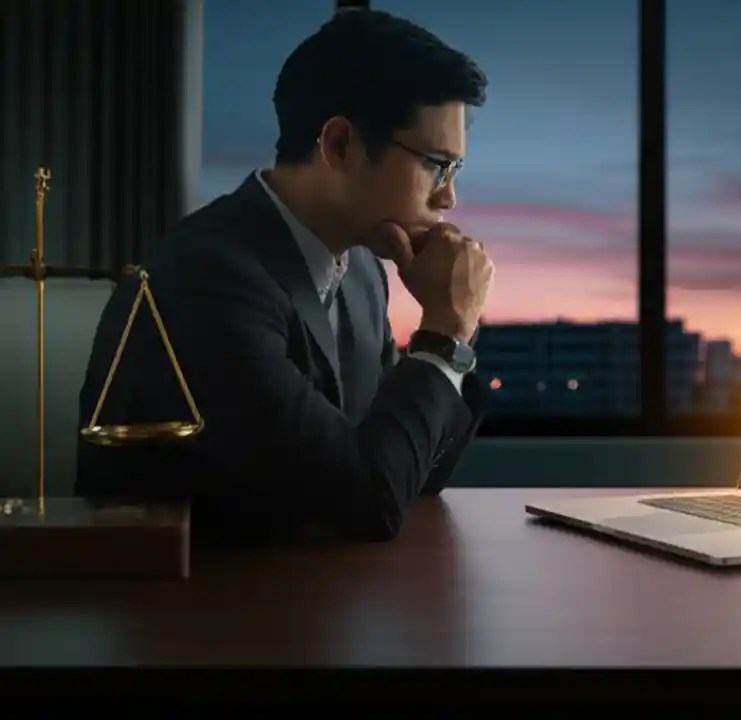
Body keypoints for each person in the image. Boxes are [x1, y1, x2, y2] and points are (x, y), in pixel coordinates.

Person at [74, 11, 495, 542]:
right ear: (339, 144)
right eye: (437, 163)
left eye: (455, 171)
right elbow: (368, 499)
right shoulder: (206, 279)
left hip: (306, 599)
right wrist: (443, 333)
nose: (448, 197)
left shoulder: (362, 272)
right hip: (188, 607)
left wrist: (454, 331)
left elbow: (414, 471)